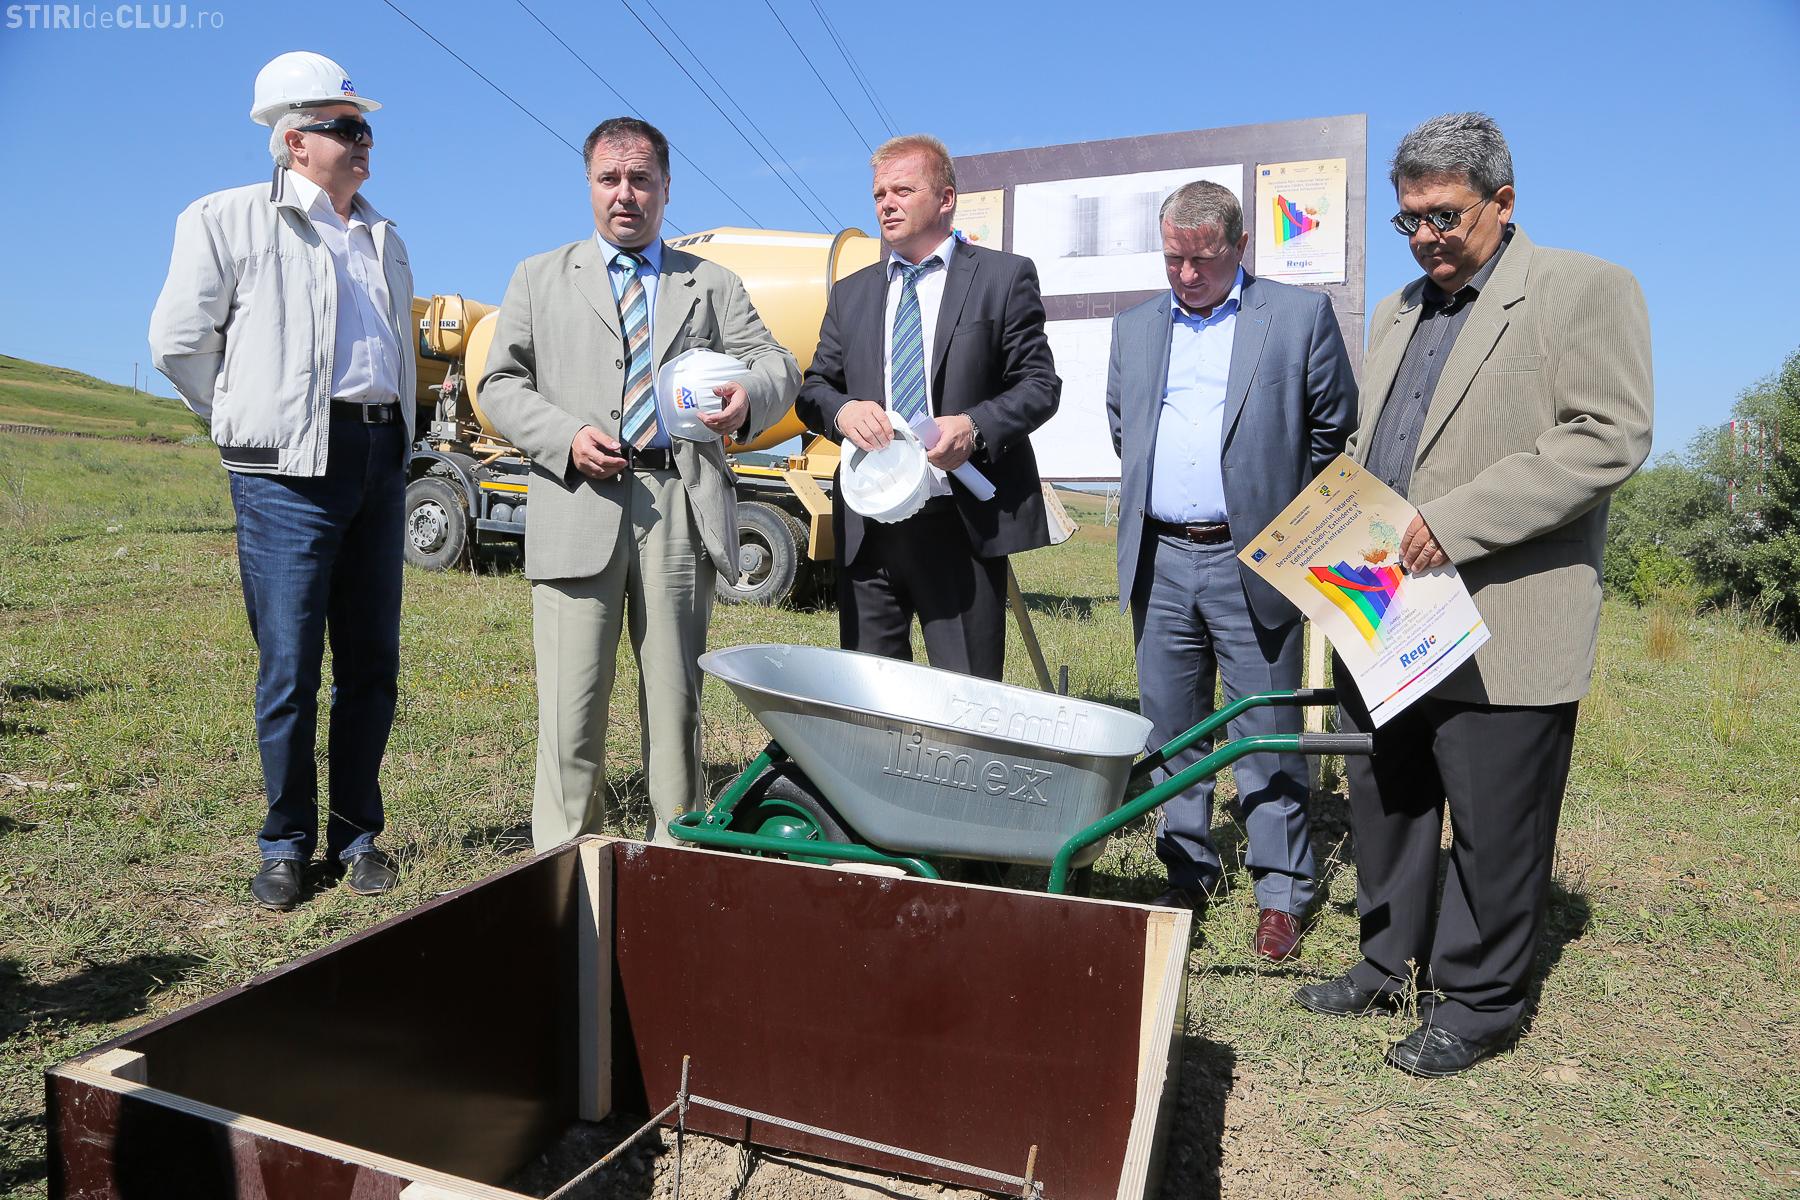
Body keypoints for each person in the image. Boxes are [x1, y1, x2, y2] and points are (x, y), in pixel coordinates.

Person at [1293, 113, 1652, 1075]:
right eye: (1409, 220)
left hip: (1505, 611)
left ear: (1502, 201)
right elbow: (1382, 444)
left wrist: (1458, 519)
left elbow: (1608, 435)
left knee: (1495, 828)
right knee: (1390, 797)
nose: (1425, 238)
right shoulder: (1399, 310)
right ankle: (1384, 963)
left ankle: (1483, 1003)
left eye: (1444, 218)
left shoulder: (1585, 288)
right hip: (1386, 603)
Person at [479, 117, 799, 852]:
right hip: (574, 504)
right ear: (589, 184)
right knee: (570, 705)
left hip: (677, 509)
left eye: (641, 179)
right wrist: (564, 438)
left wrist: (747, 394)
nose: (625, 195)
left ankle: (676, 849)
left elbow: (776, 362)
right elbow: (499, 384)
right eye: (609, 179)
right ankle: (564, 861)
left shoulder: (710, 283)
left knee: (675, 701)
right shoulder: (538, 276)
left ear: (665, 187)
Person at [149, 52, 413, 911]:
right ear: (293, 142)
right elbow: (181, 342)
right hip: (283, 469)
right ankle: (285, 843)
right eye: (346, 127)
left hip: (377, 458)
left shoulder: (383, 233)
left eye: (365, 125)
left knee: (371, 662)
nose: (363, 139)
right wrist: (242, 419)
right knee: (290, 666)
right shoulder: (226, 219)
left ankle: (357, 834)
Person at [1106, 181, 1355, 957]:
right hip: (1161, 557)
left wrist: (1270, 511)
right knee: (1174, 728)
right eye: (1174, 258)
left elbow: (1330, 426)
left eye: (1202, 260)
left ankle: (1281, 892)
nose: (1185, 275)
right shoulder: (1136, 327)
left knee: (1266, 728)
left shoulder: (1297, 318)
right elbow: (1125, 424)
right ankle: (1187, 871)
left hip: (1254, 558)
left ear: (1239, 248)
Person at [795, 134, 1060, 681]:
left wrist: (974, 426)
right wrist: (841, 412)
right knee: (873, 701)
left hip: (959, 525)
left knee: (966, 705)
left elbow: (1039, 385)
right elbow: (814, 388)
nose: (886, 204)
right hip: (869, 528)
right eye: (878, 194)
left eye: (902, 190)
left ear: (946, 199)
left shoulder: (1002, 278)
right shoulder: (852, 294)